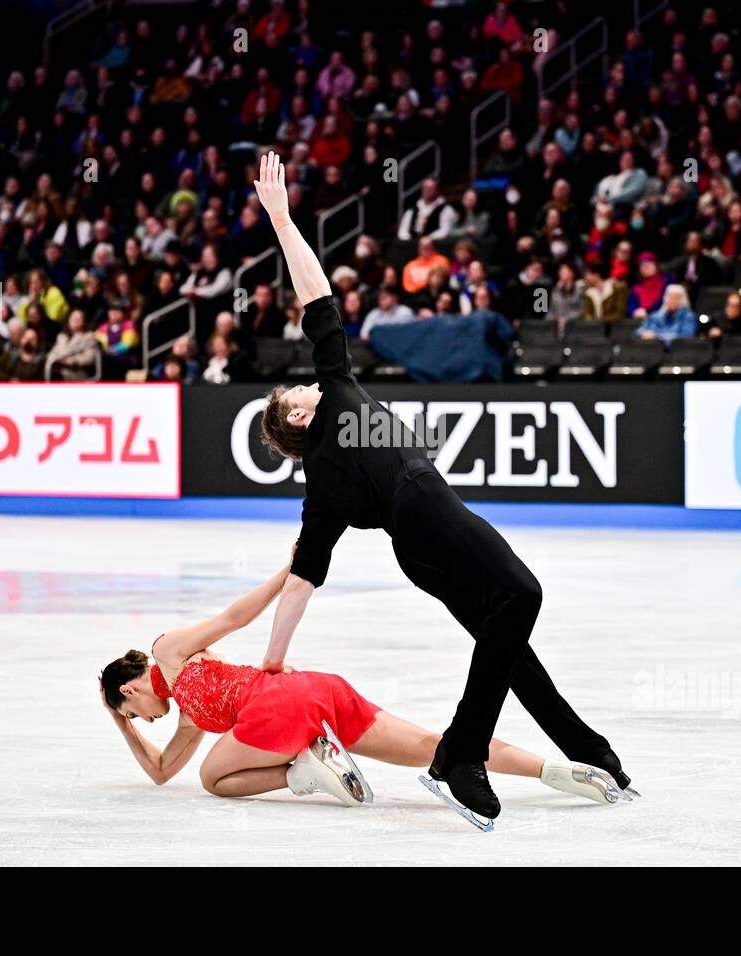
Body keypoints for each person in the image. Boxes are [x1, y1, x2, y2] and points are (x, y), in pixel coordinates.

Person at [250, 150, 632, 824]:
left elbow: (302, 578)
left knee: (507, 640)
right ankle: (459, 754)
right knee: (523, 594)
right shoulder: (336, 395)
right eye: (300, 391)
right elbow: (317, 298)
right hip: (424, 506)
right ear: (302, 415)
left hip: (415, 547)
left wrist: (273, 660)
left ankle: (588, 747)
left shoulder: (320, 493)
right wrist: (281, 219)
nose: (311, 383)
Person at [99, 550, 623, 808]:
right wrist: (122, 727)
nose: (143, 720)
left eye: (133, 714)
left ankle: (304, 771)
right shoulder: (190, 716)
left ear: (129, 691)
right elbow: (163, 769)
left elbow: (235, 616)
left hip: (273, 712)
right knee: (438, 746)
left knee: (214, 780)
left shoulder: (166, 651)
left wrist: (292, 570)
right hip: (315, 691)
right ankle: (551, 769)